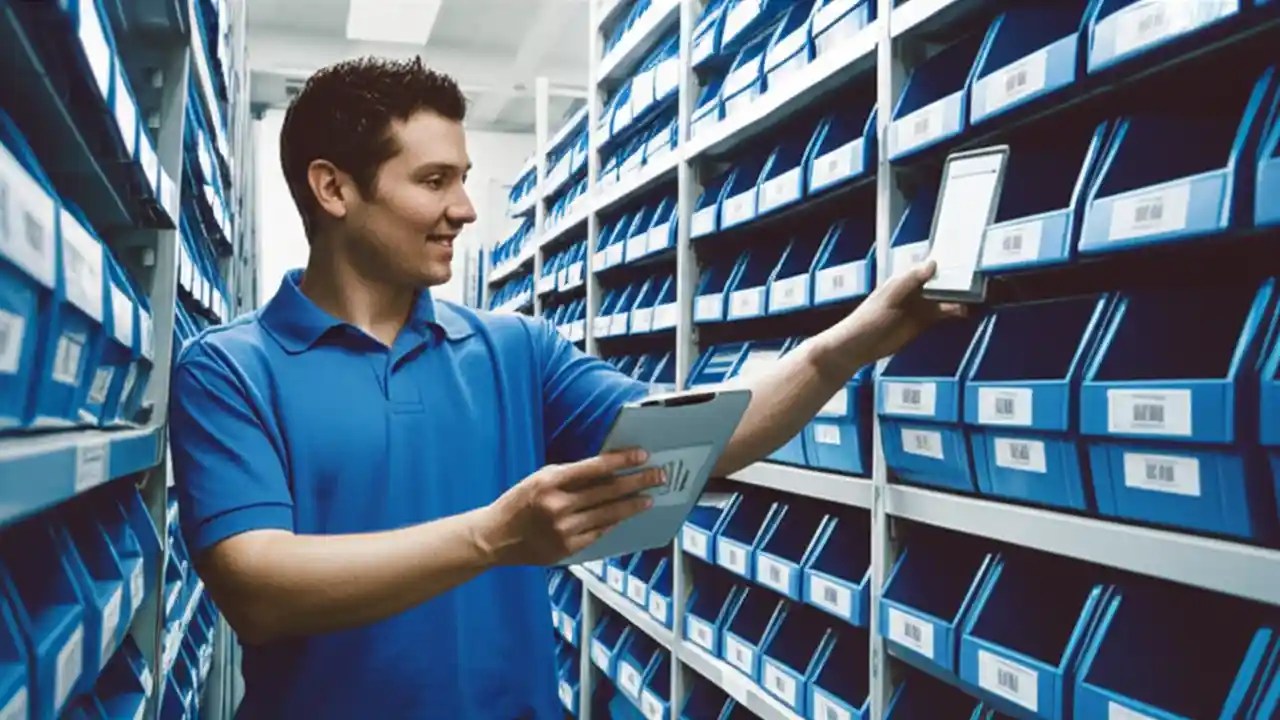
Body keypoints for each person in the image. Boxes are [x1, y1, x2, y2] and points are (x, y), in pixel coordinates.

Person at [168, 56, 963, 719]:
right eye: (435, 180)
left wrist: (850, 346)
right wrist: (496, 536)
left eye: (465, 178)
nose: (465, 209)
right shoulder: (230, 368)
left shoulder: (516, 349)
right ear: (334, 189)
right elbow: (259, 588)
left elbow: (699, 435)